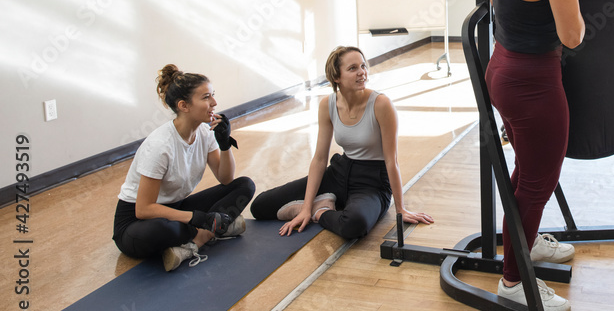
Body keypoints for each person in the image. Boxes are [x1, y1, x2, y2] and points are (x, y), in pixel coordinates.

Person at [483, 0, 606, 311]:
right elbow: (571, 36)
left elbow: (518, 9)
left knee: (526, 173)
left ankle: (524, 244)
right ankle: (514, 283)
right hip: (534, 84)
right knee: (538, 180)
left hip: (504, 71)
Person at [250, 46, 433, 240]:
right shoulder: (327, 105)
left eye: (363, 66)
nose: (362, 72)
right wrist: (303, 208)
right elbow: (320, 159)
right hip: (338, 173)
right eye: (353, 68)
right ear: (336, 77)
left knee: (354, 225)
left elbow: (391, 161)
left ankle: (320, 211)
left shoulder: (381, 104)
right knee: (260, 206)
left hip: (372, 183)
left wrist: (400, 209)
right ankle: (315, 205)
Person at [113, 65, 256, 272]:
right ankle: (211, 230)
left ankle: (196, 240)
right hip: (137, 223)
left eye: (213, 96)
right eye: (206, 97)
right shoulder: (160, 145)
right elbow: (144, 209)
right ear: (184, 105)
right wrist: (197, 218)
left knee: (244, 186)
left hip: (175, 209)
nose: (214, 103)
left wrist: (224, 145)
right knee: (159, 229)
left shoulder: (205, 133)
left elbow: (226, 179)